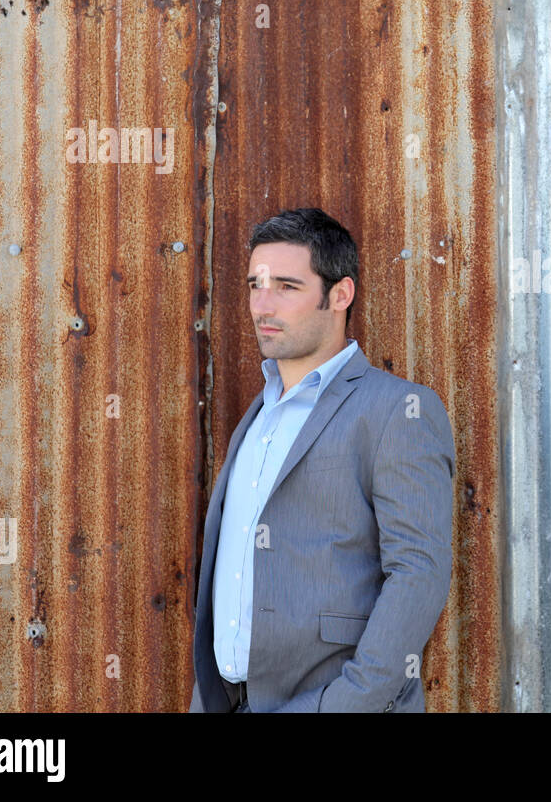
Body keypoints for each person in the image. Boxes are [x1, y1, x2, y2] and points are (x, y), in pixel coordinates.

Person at [189, 207, 455, 712]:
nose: (261, 305)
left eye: (286, 287)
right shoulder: (258, 417)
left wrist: (345, 704)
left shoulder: (396, 411)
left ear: (340, 294)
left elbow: (418, 573)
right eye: (254, 285)